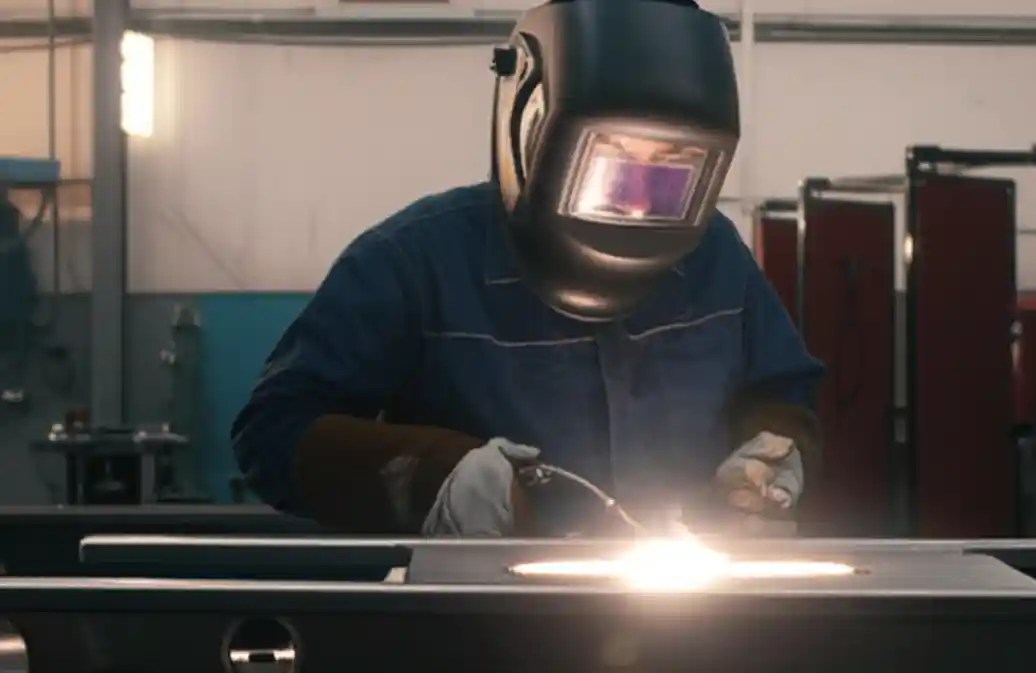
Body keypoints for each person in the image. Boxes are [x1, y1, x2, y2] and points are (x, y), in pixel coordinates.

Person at [232, 0, 824, 538]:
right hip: (484, 629)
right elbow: (273, 431)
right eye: (614, 161)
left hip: (692, 621)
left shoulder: (714, 254)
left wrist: (771, 454)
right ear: (532, 127)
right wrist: (433, 474)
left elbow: (780, 390)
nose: (641, 203)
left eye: (672, 168)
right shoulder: (415, 260)